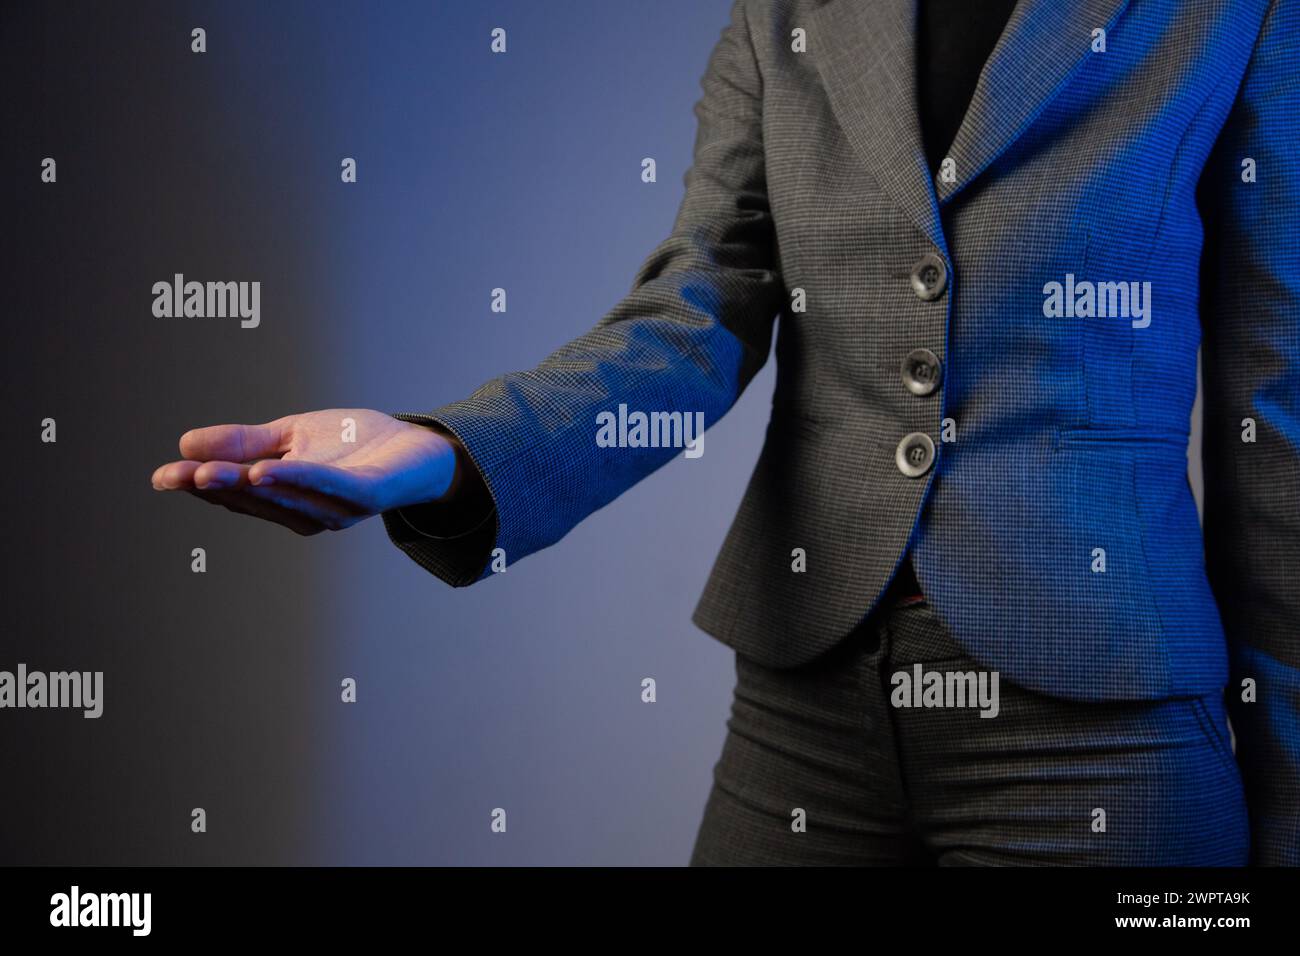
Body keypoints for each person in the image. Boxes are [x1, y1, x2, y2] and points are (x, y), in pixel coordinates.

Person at [151, 0, 1299, 865]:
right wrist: (452, 453)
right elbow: (694, 308)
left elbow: (1271, 422)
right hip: (807, 704)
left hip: (1100, 722)